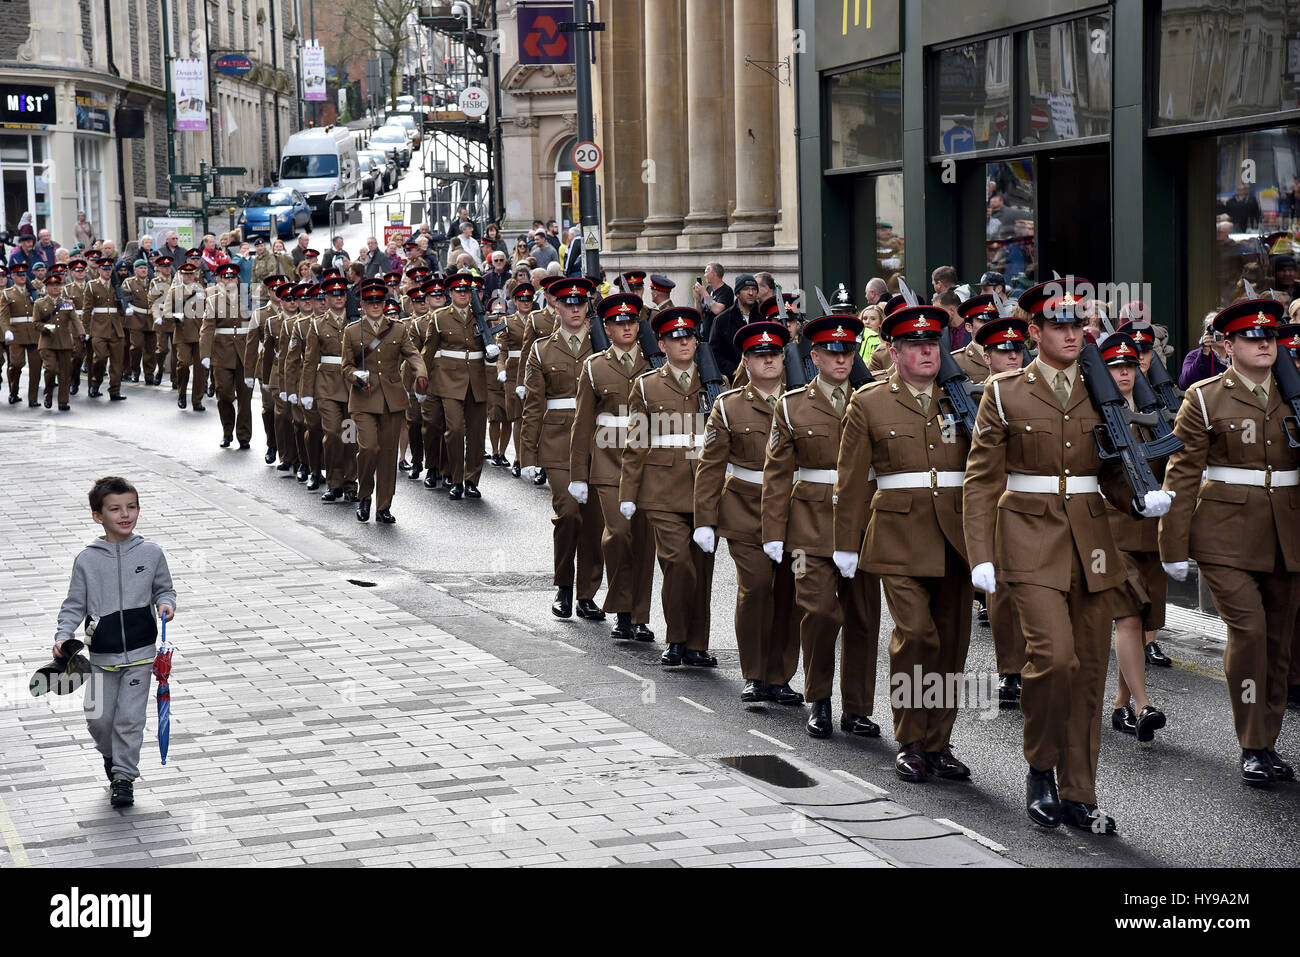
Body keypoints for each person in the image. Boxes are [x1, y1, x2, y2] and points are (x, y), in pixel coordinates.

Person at [964, 278, 1165, 833]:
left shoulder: (1102, 392)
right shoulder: (1004, 392)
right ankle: (1040, 767)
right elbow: (981, 482)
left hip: (1092, 540)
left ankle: (1079, 791)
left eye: (1079, 325)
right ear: (1035, 332)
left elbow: (1110, 470)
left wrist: (1142, 498)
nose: (1072, 334)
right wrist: (980, 553)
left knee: (1089, 671)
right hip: (1027, 539)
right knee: (1054, 659)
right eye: (1060, 325)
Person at [1160, 296, 1299, 786]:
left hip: (1289, 532)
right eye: (1251, 337)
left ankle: (1269, 738)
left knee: (1281, 644)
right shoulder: (1204, 396)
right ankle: (1252, 743)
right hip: (1225, 535)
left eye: (1269, 337)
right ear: (1227, 344)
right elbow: (1182, 472)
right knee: (1251, 634)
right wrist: (1172, 547)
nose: (1264, 344)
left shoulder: (1295, 390)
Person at [835, 303, 973, 781]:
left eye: (932, 344)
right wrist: (845, 545)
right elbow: (851, 480)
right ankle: (911, 738)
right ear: (894, 351)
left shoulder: (963, 399)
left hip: (955, 537)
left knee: (952, 645)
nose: (926, 352)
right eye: (915, 345)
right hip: (896, 535)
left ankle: (938, 742)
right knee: (916, 635)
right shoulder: (869, 402)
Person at [764, 314, 880, 739]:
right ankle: (820, 698)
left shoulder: (872, 400)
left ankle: (857, 708)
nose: (841, 358)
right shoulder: (792, 405)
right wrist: (774, 532)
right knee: (819, 611)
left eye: (847, 351)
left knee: (863, 617)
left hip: (865, 520)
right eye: (831, 352)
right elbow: (777, 474)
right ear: (813, 356)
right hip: (809, 526)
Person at [694, 318, 800, 703]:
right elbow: (710, 466)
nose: (769, 360)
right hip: (744, 510)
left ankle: (780, 675)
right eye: (760, 354)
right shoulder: (729, 406)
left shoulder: (803, 401)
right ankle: (754, 672)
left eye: (774, 353)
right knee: (755, 589)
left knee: (788, 594)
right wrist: (704, 519)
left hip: (794, 511)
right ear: (747, 360)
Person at [53, 476, 176, 808]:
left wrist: (166, 604)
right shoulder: (87, 560)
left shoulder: (151, 553)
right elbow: (74, 604)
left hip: (140, 654)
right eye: (116, 509)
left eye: (132, 507)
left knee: (129, 719)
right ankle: (111, 756)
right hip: (100, 658)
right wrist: (64, 635)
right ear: (98, 515)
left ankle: (123, 777)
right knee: (98, 719)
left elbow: (164, 589)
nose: (126, 515)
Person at [620, 307, 717, 666]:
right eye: (676, 338)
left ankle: (697, 644)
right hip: (661, 490)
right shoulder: (646, 386)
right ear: (662, 343)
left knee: (701, 569)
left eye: (689, 337)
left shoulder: (713, 382)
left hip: (706, 488)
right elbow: (636, 441)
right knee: (678, 563)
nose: (684, 343)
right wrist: (628, 493)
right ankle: (676, 637)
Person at [569, 292, 655, 639]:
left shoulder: (655, 364)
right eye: (619, 323)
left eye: (632, 322)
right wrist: (578, 474)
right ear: (607, 327)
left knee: (643, 541)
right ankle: (621, 606)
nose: (627, 328)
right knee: (618, 533)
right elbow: (582, 423)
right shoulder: (594, 366)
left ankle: (639, 614)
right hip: (607, 461)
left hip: (648, 462)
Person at [519, 277, 606, 618]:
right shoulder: (542, 349)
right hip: (558, 444)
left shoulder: (603, 347)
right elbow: (534, 406)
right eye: (567, 304)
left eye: (580, 304)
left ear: (587, 307)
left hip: (599, 443)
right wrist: (527, 454)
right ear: (556, 307)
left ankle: (587, 593)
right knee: (569, 513)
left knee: (595, 520)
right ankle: (564, 587)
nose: (574, 309)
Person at [1097, 332, 1169, 744]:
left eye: (1132, 364)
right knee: (1126, 613)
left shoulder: (1153, 408)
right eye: (1116, 367)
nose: (1126, 372)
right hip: (1112, 526)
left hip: (1151, 528)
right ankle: (1143, 704)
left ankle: (1121, 704)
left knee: (1144, 620)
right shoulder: (1096, 410)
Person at [972, 316, 1031, 705]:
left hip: (1037, 499)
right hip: (998, 499)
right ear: (986, 355)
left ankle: (1042, 666)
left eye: (1016, 350)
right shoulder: (971, 394)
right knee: (1004, 593)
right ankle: (1010, 670)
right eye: (1002, 351)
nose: (1011, 357)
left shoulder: (1032, 390)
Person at [343, 280, 428, 523]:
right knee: (369, 448)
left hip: (392, 399)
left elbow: (413, 354)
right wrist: (355, 376)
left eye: (379, 302)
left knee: (388, 455)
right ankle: (364, 495)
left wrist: (421, 373)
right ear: (362, 305)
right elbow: (345, 366)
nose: (375, 306)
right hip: (363, 398)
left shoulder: (398, 329)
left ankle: (383, 506)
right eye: (370, 302)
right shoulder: (351, 332)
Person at [425, 271, 493, 499]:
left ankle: (472, 479)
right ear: (450, 293)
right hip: (448, 382)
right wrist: (420, 382)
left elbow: (492, 347)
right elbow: (428, 352)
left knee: (476, 434)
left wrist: (494, 351)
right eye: (458, 291)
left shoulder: (481, 315)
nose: (463, 294)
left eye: (466, 291)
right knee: (454, 430)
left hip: (476, 380)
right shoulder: (439, 318)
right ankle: (455, 478)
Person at [302, 275, 358, 501]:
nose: (338, 298)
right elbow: (309, 361)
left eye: (342, 294)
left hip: (352, 386)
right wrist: (306, 393)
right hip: (326, 386)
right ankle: (334, 482)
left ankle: (350, 483)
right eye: (334, 295)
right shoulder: (317, 324)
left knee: (350, 436)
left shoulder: (356, 322)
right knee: (333, 433)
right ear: (327, 297)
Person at [199, 262, 254, 450]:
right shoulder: (213, 301)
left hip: (244, 353)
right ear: (220, 280)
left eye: (233, 278)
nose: (230, 281)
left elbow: (255, 327)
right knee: (224, 396)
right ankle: (227, 431)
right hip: (222, 354)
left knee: (245, 397)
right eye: (226, 278)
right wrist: (205, 353)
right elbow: (207, 328)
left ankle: (244, 435)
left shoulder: (247, 299)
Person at [34, 272, 82, 410]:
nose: (55, 287)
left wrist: (82, 333)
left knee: (65, 373)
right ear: (46, 287)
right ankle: (48, 392)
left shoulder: (67, 304)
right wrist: (45, 327)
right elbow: (35, 323)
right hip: (47, 342)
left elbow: (75, 319)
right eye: (52, 285)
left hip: (65, 342)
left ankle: (63, 401)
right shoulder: (39, 303)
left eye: (58, 285)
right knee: (51, 368)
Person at [83, 260, 126, 401]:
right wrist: (86, 330)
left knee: (117, 361)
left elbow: (120, 307)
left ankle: (115, 390)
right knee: (100, 358)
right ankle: (95, 383)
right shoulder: (92, 285)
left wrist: (125, 309)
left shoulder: (116, 285)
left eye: (109, 269)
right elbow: (87, 309)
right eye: (105, 269)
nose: (107, 272)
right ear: (99, 271)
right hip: (98, 327)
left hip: (115, 327)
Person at [709, 273, 760, 377]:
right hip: (734, 381)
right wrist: (733, 371)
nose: (751, 293)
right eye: (746, 289)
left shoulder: (763, 318)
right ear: (737, 293)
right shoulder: (722, 320)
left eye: (754, 289)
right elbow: (714, 353)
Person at [1, 264, 37, 406]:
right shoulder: (7, 293)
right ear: (13, 277)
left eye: (24, 275)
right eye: (19, 275)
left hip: (33, 333)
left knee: (35, 367)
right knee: (16, 364)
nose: (22, 277)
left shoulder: (32, 292)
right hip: (16, 334)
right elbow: (3, 316)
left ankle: (33, 398)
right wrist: (6, 330)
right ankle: (13, 391)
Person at [120, 259, 157, 385]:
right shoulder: (129, 283)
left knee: (151, 349)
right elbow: (123, 298)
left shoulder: (153, 283)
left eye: (145, 268)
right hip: (136, 317)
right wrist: (128, 308)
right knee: (136, 346)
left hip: (150, 318)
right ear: (135, 270)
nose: (143, 270)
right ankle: (135, 371)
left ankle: (149, 375)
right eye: (140, 268)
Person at [1179, 311, 1230, 388]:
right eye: (1216, 329)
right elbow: (1185, 384)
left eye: (1224, 328)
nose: (1221, 334)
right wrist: (1204, 354)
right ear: (1208, 332)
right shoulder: (1194, 355)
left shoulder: (1236, 355)